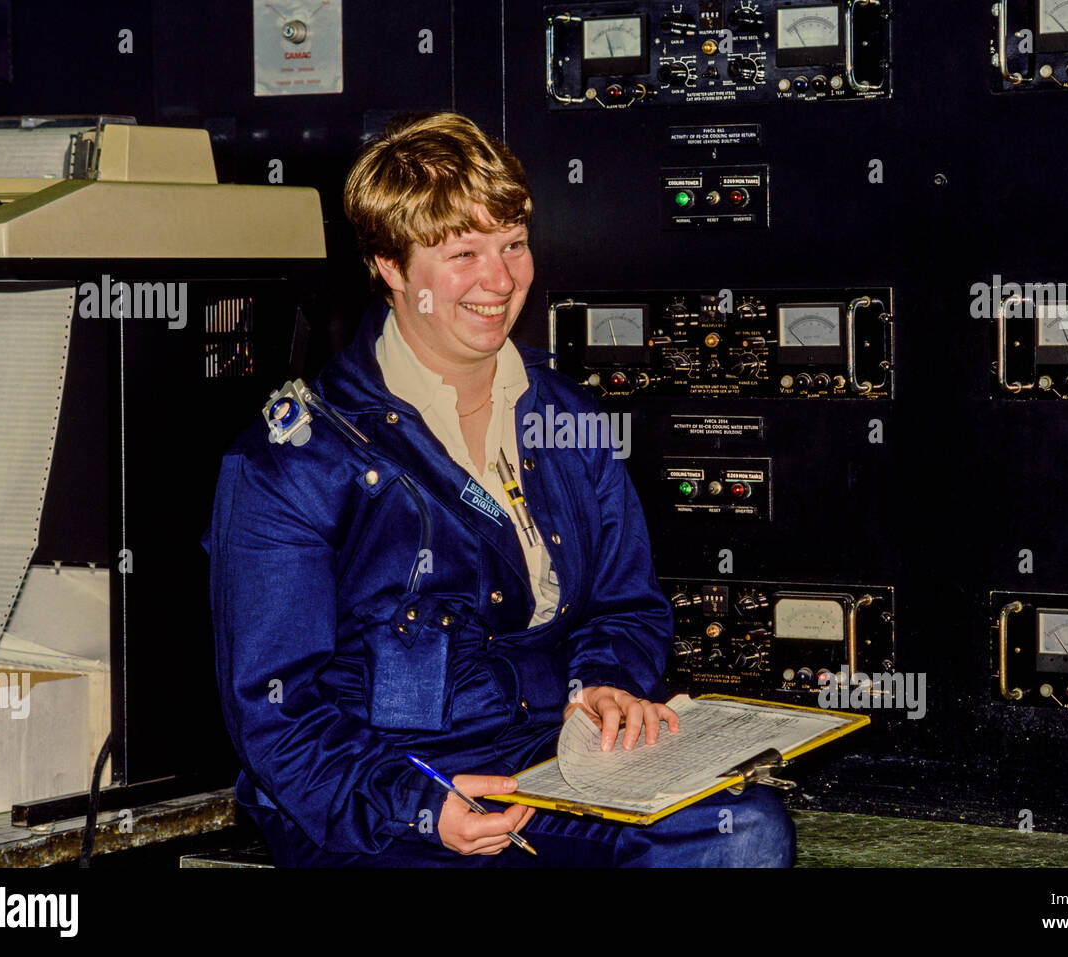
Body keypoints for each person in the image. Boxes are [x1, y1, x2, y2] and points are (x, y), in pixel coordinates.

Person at [201, 112, 795, 866]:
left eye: (513, 244)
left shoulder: (566, 417)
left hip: (546, 758)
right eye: (463, 253)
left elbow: (625, 604)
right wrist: (417, 805)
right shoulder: (291, 461)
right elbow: (275, 711)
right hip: (378, 787)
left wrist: (603, 684)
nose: (501, 280)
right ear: (389, 265)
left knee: (743, 832)